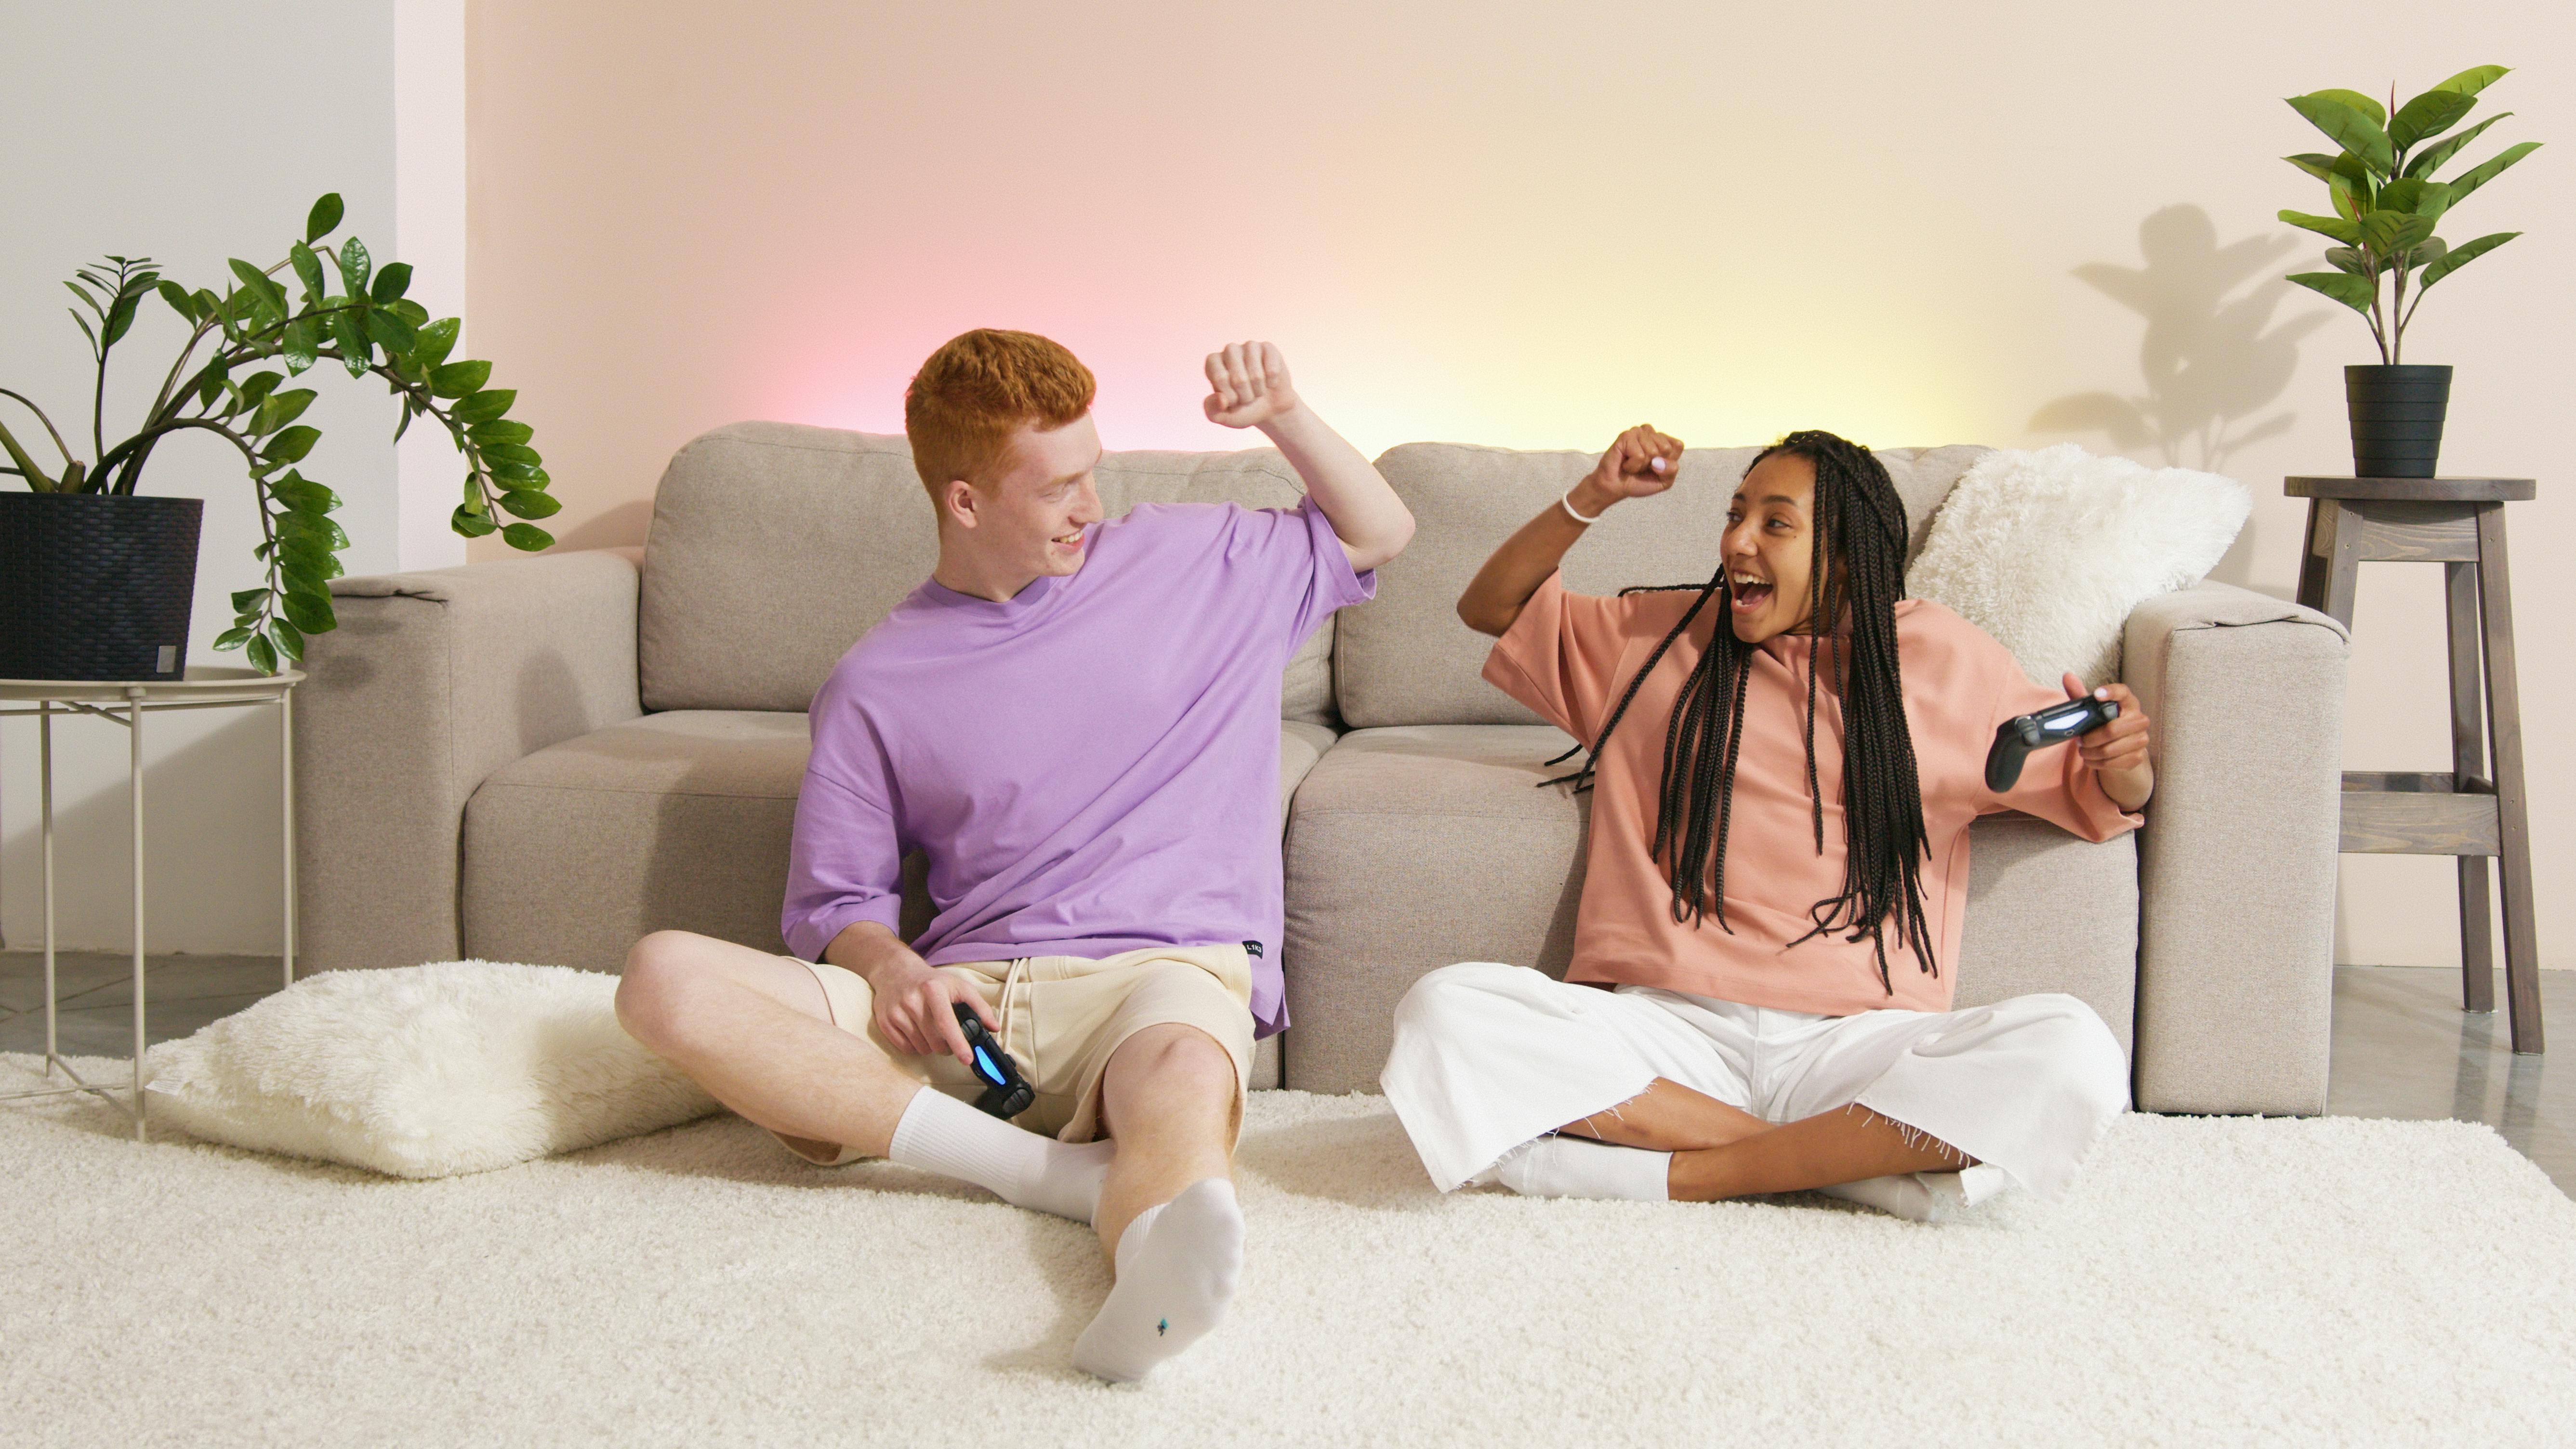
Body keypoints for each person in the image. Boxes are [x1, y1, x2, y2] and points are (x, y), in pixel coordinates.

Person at [616, 329, 1411, 1380]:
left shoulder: (1192, 560)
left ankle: (1146, 1274)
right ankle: (1051, 1176)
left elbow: (1381, 530)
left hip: (1162, 975)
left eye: (1094, 473)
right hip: (971, 999)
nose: (1092, 506)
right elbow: (833, 904)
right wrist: (894, 967)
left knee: (1180, 1080)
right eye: (1059, 489)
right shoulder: (875, 681)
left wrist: (1281, 415)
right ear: (965, 501)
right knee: (662, 978)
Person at [1380, 427, 2148, 1221]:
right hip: (1666, 1031)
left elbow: (2106, 797)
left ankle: (1675, 1174)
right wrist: (1593, 495)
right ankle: (1839, 1169)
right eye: (1736, 514)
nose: (1738, 540)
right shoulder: (1656, 639)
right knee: (1444, 1013)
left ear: (1846, 556)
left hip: (1854, 1046)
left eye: (1776, 524)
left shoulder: (1950, 661)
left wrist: (2124, 755)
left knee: (2074, 1051)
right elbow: (1491, 606)